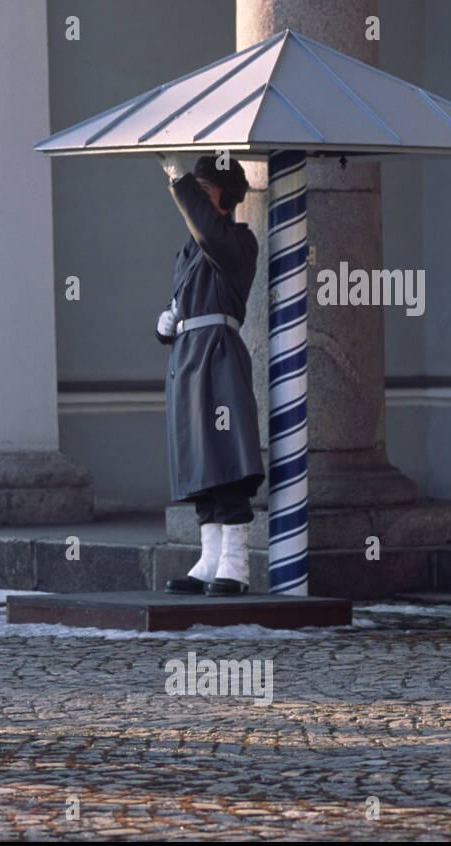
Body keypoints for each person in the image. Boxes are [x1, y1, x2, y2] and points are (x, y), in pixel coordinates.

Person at [155, 154, 263, 596]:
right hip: (188, 357)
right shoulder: (189, 249)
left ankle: (235, 563)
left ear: (225, 196)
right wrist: (168, 320)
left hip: (218, 354)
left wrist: (179, 180)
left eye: (205, 189)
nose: (195, 198)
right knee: (199, 458)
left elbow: (211, 236)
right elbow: (184, 292)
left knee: (226, 454)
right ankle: (210, 558)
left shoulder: (237, 240)